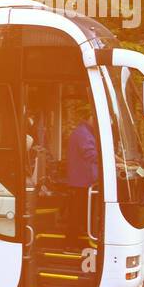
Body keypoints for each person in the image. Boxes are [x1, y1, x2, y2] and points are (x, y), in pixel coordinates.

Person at [63, 102, 99, 250]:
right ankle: (71, 244)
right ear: (91, 117)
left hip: (83, 180)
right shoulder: (83, 133)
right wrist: (111, 160)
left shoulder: (85, 131)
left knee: (81, 213)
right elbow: (90, 154)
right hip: (81, 181)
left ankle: (77, 241)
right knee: (77, 214)